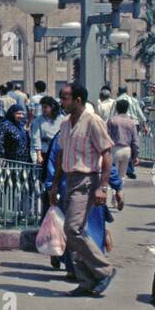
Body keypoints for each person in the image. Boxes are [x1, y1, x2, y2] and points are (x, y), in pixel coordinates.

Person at [47, 84, 116, 297]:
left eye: (65, 98)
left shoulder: (93, 121)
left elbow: (106, 152)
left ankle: (104, 269)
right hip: (69, 179)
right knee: (76, 232)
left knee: (73, 229)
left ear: (78, 100)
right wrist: (55, 183)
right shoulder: (66, 124)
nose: (61, 102)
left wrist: (103, 187)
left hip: (87, 180)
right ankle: (86, 281)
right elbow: (61, 155)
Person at [106, 98, 139, 181]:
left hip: (115, 149)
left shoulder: (112, 120)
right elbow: (135, 141)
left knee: (113, 175)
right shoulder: (131, 122)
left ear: (117, 108)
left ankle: (114, 193)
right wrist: (135, 155)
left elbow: (107, 137)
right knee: (122, 176)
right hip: (127, 150)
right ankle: (119, 192)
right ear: (127, 109)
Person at [30, 95, 62, 165]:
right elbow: (36, 138)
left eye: (45, 107)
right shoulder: (37, 120)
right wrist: (38, 155)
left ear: (52, 107)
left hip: (59, 152)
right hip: (44, 153)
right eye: (42, 107)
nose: (43, 109)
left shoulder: (62, 119)